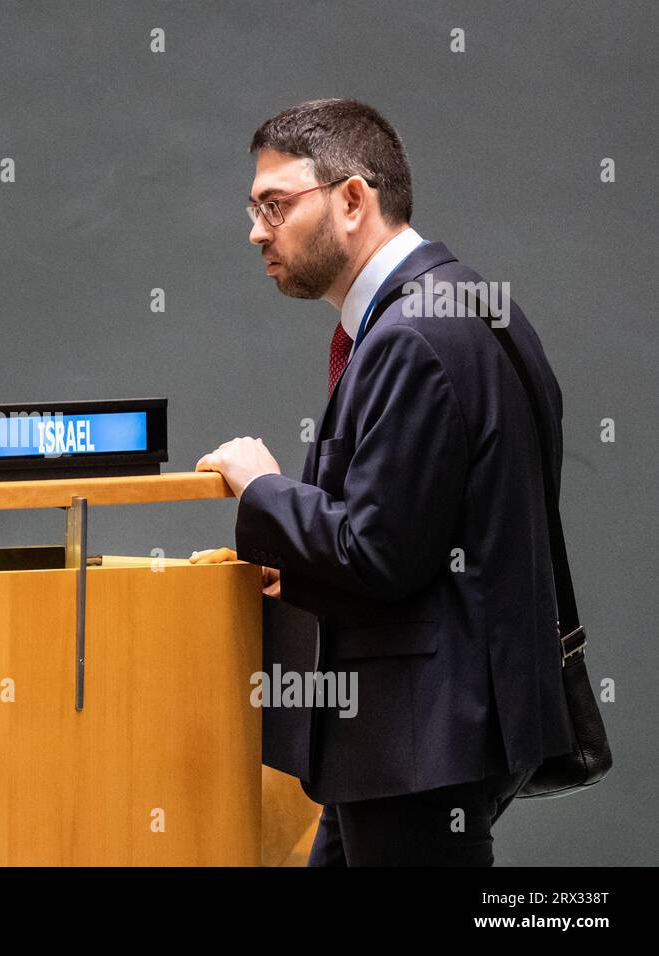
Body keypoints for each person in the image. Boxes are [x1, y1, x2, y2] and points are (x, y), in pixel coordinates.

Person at [192, 99, 573, 865]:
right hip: (431, 729)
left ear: (353, 200)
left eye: (275, 204)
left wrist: (261, 490)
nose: (256, 231)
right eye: (252, 208)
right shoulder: (464, 305)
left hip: (419, 737)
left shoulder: (415, 337)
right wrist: (295, 563)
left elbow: (378, 555)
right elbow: (433, 526)